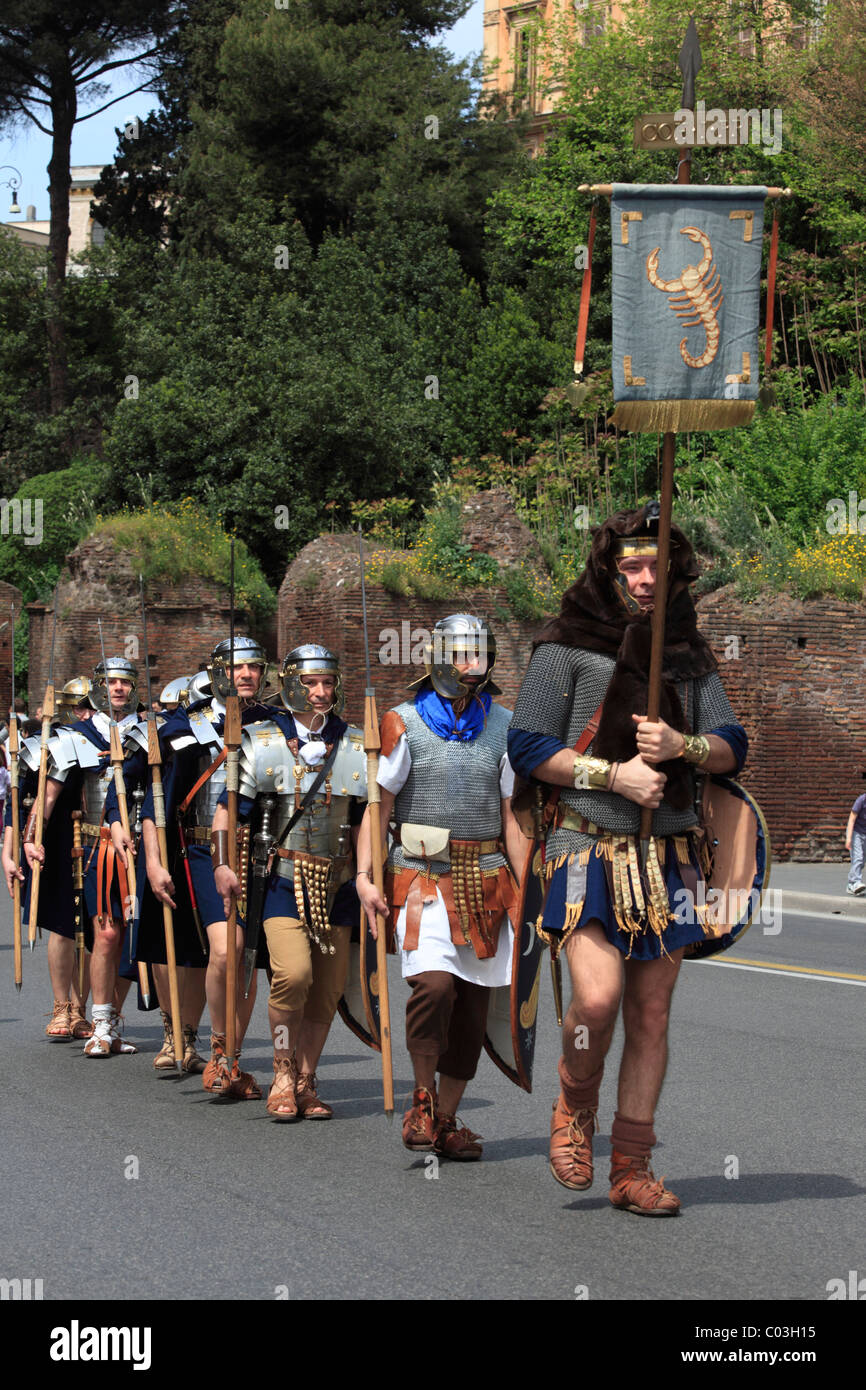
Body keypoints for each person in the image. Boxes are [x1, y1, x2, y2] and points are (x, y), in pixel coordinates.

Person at [508, 504, 748, 1215]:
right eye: (634, 567)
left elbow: (734, 742)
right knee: (600, 999)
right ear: (610, 570)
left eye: (660, 567)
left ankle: (632, 1167)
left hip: (670, 853)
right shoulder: (566, 645)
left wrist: (686, 749)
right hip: (587, 844)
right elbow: (525, 746)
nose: (647, 581)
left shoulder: (687, 652)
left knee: (650, 1016)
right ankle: (574, 1106)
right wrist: (611, 776)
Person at [357, 615, 526, 1162]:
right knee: (434, 987)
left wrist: (526, 892)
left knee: (474, 1009)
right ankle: (422, 1100)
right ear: (436, 658)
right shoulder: (402, 722)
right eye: (458, 653)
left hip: (486, 880)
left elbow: (514, 817)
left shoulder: (505, 726)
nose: (467, 664)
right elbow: (376, 809)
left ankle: (447, 1120)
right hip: (424, 879)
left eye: (476, 653)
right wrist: (366, 876)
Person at [213, 643, 367, 1121]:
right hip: (282, 878)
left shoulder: (359, 743)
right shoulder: (261, 738)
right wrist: (222, 863)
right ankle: (282, 1071)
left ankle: (306, 1079)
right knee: (293, 975)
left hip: (337, 883)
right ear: (291, 685)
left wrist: (365, 875)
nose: (321, 693)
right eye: (311, 684)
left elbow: (365, 821)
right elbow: (227, 809)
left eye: (328, 684)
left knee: (326, 989)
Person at [143, 639, 275, 1099]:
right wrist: (155, 862)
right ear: (218, 672)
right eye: (238, 668)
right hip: (202, 851)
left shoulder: (273, 724)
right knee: (225, 950)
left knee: (247, 959)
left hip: (259, 854)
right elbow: (156, 802)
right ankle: (218, 1047)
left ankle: (232, 1058)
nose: (247, 675)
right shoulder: (185, 724)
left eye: (254, 668)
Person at [23, 659, 141, 1056]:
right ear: (97, 688)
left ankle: (107, 1017)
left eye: (125, 682)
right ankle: (76, 1010)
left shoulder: (147, 733)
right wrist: (30, 837)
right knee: (91, 930)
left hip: (142, 848)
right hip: (94, 847)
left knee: (130, 937)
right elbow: (48, 795)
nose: (118, 688)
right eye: (110, 682)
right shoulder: (75, 735)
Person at [844, 789, 866, 895]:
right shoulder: (861, 800)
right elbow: (851, 819)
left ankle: (850, 885)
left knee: (862, 861)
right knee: (858, 857)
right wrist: (848, 838)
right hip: (856, 833)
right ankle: (855, 882)